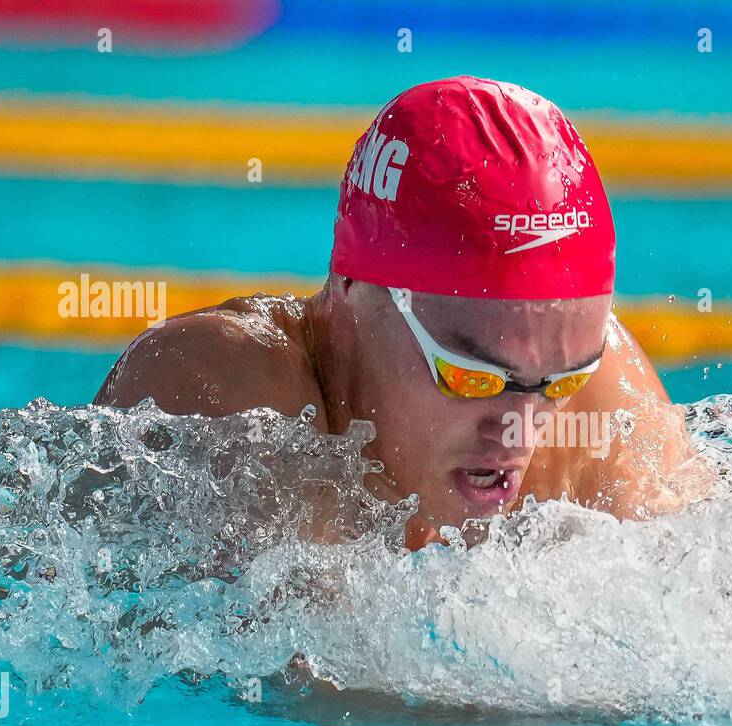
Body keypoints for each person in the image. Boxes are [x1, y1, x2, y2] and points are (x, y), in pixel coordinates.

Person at [95, 75, 699, 549]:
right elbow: (322, 690)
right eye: (473, 376)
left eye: (562, 379)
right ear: (350, 300)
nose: (521, 426)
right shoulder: (221, 397)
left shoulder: (608, 410)